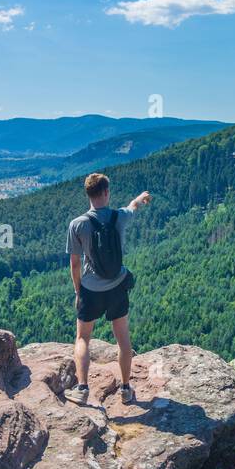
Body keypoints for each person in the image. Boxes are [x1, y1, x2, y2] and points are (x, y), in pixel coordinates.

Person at [66, 172, 151, 404]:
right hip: (117, 285)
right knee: (123, 339)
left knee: (83, 338)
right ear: (106, 192)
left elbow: (75, 263)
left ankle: (82, 389)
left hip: (90, 289)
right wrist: (141, 197)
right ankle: (125, 389)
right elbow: (131, 207)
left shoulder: (77, 224)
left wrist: (78, 291)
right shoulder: (119, 217)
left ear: (88, 194)